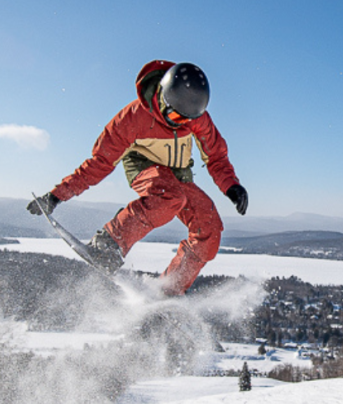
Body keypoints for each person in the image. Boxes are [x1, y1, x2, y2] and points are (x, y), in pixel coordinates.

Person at [28, 60, 248, 296]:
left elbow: (216, 155)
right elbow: (99, 163)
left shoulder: (197, 119)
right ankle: (108, 243)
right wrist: (55, 196)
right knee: (169, 197)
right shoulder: (131, 119)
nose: (180, 124)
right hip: (144, 167)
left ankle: (169, 290)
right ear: (164, 98)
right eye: (175, 115)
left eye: (187, 120)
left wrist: (231, 186)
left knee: (210, 228)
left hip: (180, 175)